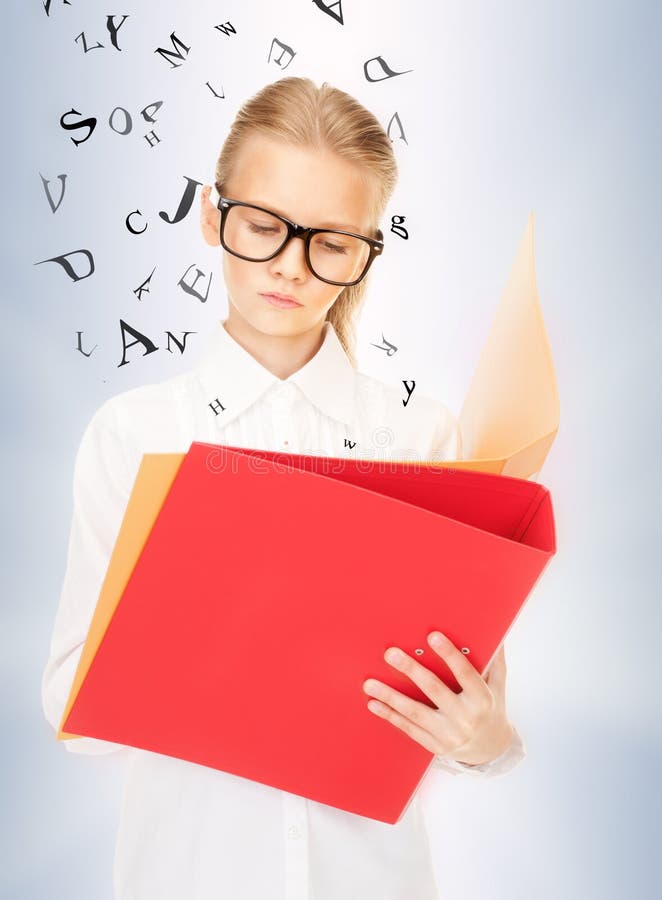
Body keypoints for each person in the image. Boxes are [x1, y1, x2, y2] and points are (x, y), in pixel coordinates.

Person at [41, 76, 526, 900]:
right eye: (263, 227)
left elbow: (471, 717)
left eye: (332, 243)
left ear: (369, 249)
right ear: (210, 214)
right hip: (185, 878)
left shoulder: (421, 440)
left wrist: (485, 739)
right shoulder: (135, 435)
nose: (291, 268)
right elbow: (71, 709)